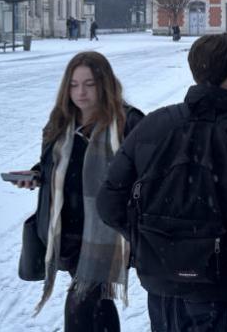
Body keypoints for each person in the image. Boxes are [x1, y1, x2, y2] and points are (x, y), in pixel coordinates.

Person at [97, 33, 227, 332]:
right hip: (222, 286)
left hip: (161, 284)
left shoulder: (154, 126)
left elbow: (108, 203)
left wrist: (150, 240)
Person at [8, 51, 144, 331]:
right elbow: (56, 167)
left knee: (82, 302)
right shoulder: (59, 124)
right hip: (68, 235)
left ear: (104, 84)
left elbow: (145, 177)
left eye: (89, 84)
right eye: (73, 84)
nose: (80, 92)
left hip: (107, 234)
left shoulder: (128, 123)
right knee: (96, 305)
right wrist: (36, 175)